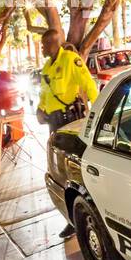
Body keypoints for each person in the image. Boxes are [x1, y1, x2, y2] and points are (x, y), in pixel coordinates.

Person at [38, 30, 99, 238]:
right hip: (54, 122)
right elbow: (44, 93)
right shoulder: (47, 66)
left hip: (70, 119)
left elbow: (88, 85)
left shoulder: (70, 60)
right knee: (59, 172)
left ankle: (85, 215)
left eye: (44, 44)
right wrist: (40, 108)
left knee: (73, 170)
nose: (42, 48)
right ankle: (71, 218)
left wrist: (98, 112)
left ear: (53, 43)